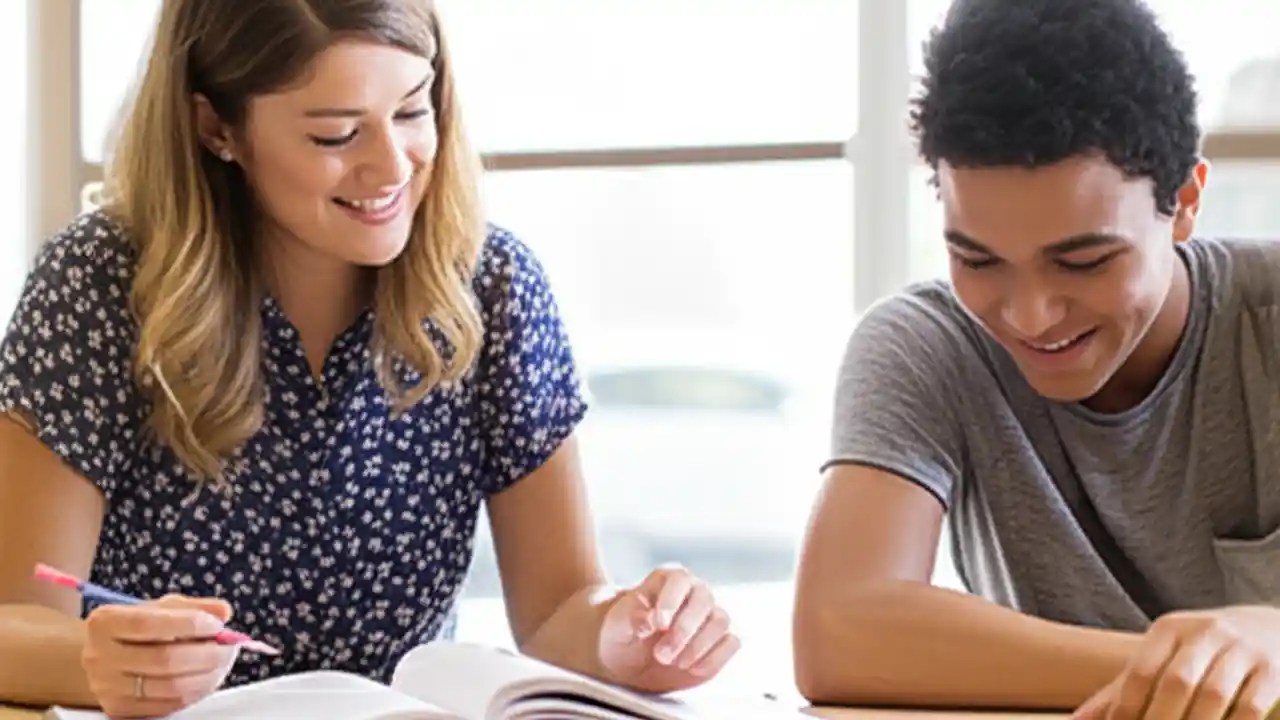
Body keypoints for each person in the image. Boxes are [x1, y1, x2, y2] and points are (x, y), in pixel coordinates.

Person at [0, 1, 740, 717]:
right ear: (216, 127)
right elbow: (14, 620)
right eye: (336, 135)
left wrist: (629, 635)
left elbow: (557, 611)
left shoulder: (494, 285)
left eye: (413, 111)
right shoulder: (98, 284)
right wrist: (98, 660)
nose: (391, 166)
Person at [793, 0, 1280, 717]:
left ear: (1183, 202)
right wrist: (1209, 669)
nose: (1029, 317)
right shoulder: (929, 344)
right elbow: (841, 631)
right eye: (978, 260)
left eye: (1083, 262)